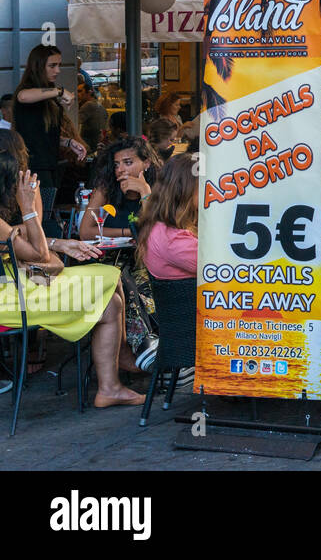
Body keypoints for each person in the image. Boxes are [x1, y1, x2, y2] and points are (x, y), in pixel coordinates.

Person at [0, 131, 144, 407]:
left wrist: (59, 241)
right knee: (110, 297)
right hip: (11, 296)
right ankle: (114, 376)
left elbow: (32, 239)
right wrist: (28, 208)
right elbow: (40, 253)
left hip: (20, 282)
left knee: (111, 280)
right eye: (22, 167)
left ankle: (114, 376)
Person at [14, 44, 85, 229]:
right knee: (36, 219)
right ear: (38, 66)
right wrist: (59, 91)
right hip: (32, 166)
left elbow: (44, 134)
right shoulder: (29, 91)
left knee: (44, 216)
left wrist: (68, 142)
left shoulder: (50, 98)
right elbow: (23, 96)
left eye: (59, 65)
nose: (58, 70)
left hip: (49, 165)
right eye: (52, 65)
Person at [80, 136, 159, 243]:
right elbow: (85, 233)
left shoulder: (160, 188)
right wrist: (131, 232)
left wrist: (144, 190)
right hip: (111, 256)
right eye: (116, 165)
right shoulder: (106, 187)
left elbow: (158, 233)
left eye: (128, 162)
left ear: (146, 163)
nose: (120, 170)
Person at [136, 153, 199, 281]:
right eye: (205, 185)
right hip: (194, 300)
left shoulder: (160, 226)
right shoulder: (173, 240)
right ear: (186, 190)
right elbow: (224, 266)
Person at [78, 81, 109, 151]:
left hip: (89, 144)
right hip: (97, 143)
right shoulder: (97, 104)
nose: (77, 94)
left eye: (80, 91)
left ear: (89, 92)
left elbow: (75, 122)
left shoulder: (88, 105)